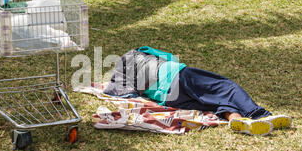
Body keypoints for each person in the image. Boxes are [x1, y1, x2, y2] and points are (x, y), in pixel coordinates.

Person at [104, 47, 292, 136]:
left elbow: (117, 90)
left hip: (169, 99)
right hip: (177, 76)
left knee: (212, 103)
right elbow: (170, 58)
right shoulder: (140, 51)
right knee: (227, 87)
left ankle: (236, 119)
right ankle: (259, 115)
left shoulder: (125, 78)